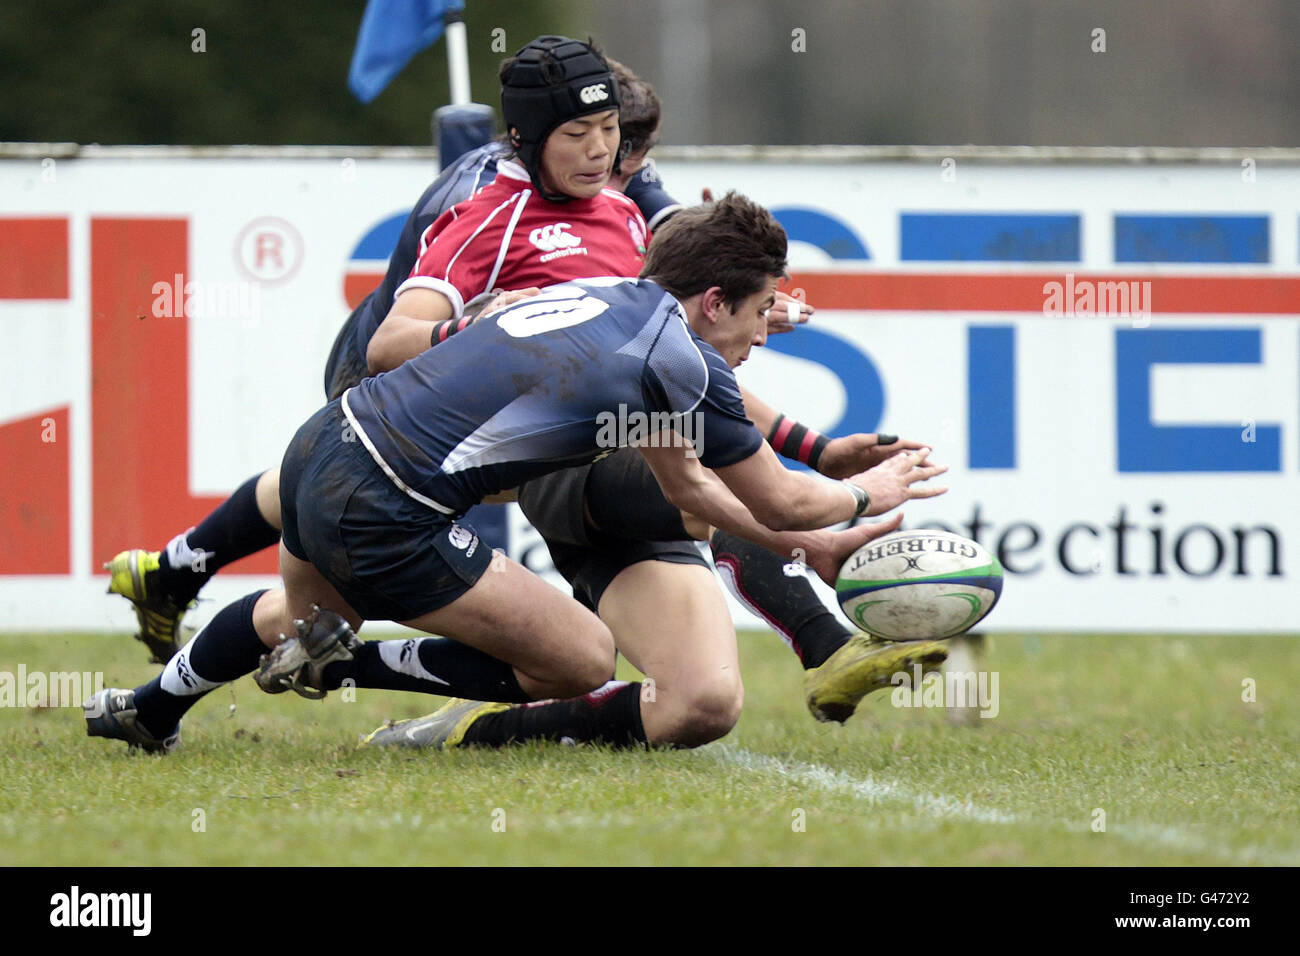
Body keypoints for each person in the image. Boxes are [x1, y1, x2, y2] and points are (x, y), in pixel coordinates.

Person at [85, 191, 947, 755]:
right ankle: (339, 663)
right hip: (388, 502)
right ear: (715, 302)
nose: (764, 335)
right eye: (761, 314)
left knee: (304, 617)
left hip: (321, 444)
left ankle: (149, 708)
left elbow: (688, 489)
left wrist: (810, 549)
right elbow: (783, 491)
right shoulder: (680, 360)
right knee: (580, 656)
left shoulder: (613, 296)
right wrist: (869, 496)